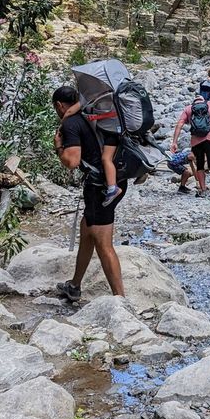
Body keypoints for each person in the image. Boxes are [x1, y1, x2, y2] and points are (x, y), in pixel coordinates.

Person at [52, 85, 127, 301]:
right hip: (116, 179)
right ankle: (74, 285)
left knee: (103, 244)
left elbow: (72, 161)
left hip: (99, 188)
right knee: (87, 232)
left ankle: (120, 301)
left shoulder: (71, 123)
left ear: (59, 105)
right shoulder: (91, 113)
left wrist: (58, 147)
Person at [60, 94, 121, 206]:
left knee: (106, 158)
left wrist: (62, 123)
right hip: (116, 127)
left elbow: (69, 112)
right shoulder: (112, 94)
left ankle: (113, 188)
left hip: (112, 130)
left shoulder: (92, 94)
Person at [172, 88, 210, 197]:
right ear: (203, 100)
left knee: (200, 166)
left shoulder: (188, 109)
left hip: (196, 141)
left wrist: (174, 142)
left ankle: (203, 191)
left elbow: (179, 124)